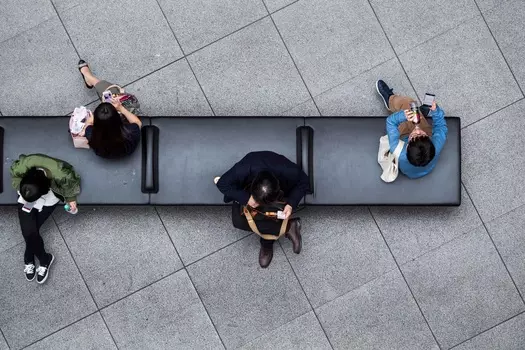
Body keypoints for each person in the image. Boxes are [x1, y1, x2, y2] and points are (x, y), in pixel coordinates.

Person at [216, 151, 311, 268]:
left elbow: (304, 181)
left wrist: (291, 204)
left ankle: (267, 242)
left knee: (268, 218)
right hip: (251, 193)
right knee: (238, 221)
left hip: (279, 196)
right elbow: (222, 183)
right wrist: (247, 198)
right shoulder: (245, 168)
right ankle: (289, 226)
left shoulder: (287, 170)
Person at [11, 154, 81, 284]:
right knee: (29, 232)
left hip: (49, 199)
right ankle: (44, 258)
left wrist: (71, 199)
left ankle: (29, 257)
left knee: (31, 232)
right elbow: (15, 176)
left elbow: (71, 182)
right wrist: (22, 190)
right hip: (28, 193)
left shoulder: (60, 174)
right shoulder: (21, 168)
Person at [376, 80, 448, 179]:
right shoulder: (436, 146)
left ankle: (390, 101)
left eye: (414, 136)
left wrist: (403, 115)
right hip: (420, 169)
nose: (417, 129)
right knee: (416, 115)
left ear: (406, 146)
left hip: (403, 136)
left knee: (409, 103)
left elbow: (390, 122)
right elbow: (441, 126)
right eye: (422, 135)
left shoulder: (397, 149)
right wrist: (435, 111)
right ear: (431, 142)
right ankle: (420, 114)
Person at [77, 60, 142, 159]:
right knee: (113, 92)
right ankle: (89, 78)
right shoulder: (130, 132)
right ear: (117, 118)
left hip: (104, 154)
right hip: (127, 151)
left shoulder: (91, 134)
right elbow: (138, 122)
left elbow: (88, 123)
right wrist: (121, 108)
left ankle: (88, 77)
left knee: (109, 92)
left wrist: (100, 113)